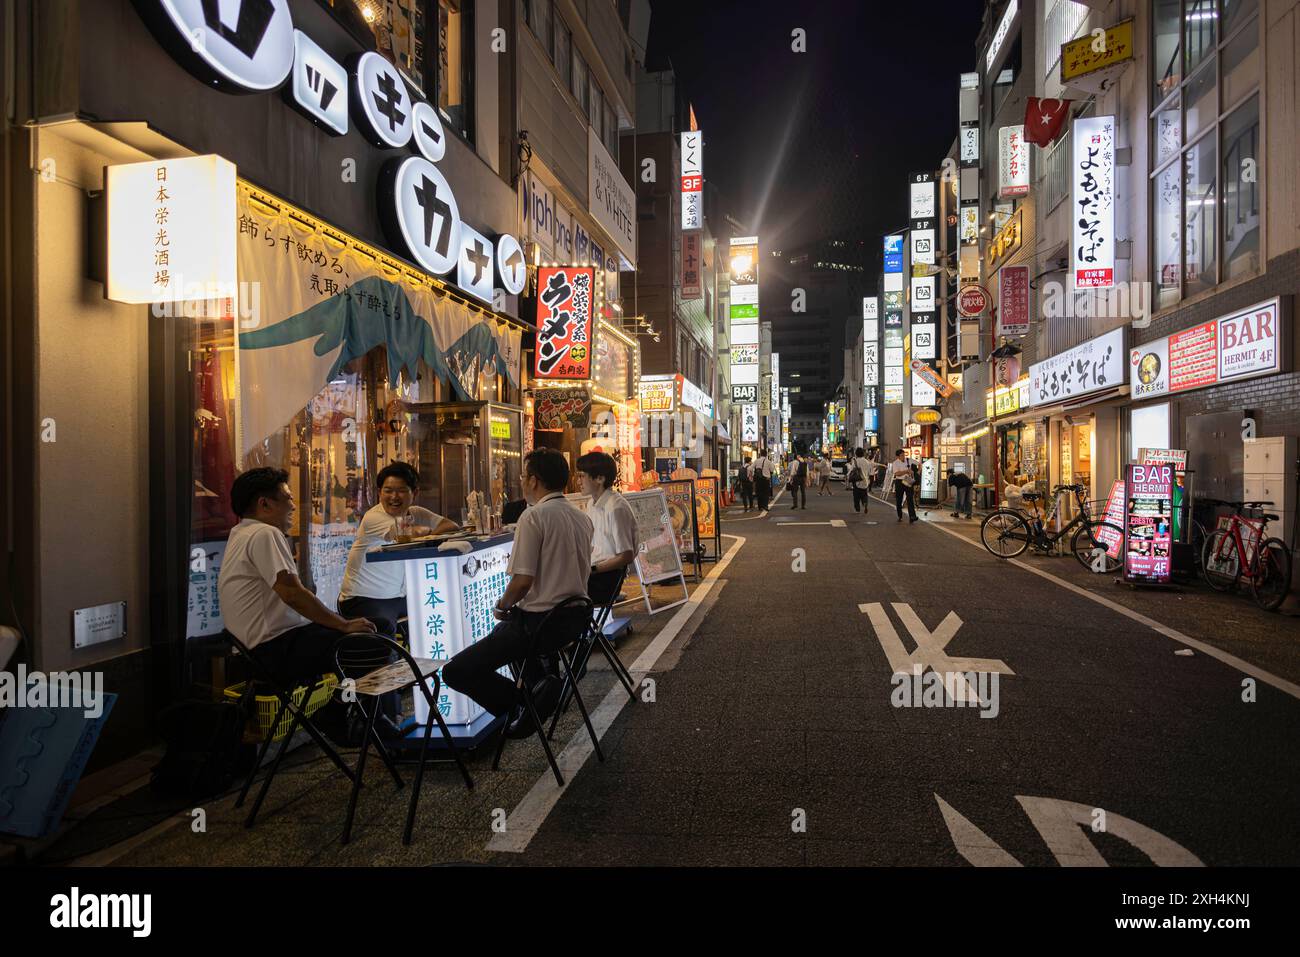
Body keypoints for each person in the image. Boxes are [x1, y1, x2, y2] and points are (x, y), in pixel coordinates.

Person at [217, 467, 403, 736]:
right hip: (276, 650)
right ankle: (340, 711)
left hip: (265, 649)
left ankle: (352, 711)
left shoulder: (242, 533)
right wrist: (342, 625)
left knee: (376, 630)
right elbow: (292, 593)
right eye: (287, 497)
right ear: (264, 503)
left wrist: (341, 625)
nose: (293, 504)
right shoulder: (263, 534)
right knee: (373, 637)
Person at [442, 449, 593, 739]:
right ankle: (539, 693)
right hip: (573, 621)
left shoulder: (533, 516)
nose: (522, 482)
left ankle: (527, 706)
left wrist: (502, 604)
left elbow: (523, 580)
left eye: (524, 477)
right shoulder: (581, 517)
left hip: (537, 626)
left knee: (456, 671)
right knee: (510, 643)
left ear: (534, 481)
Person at [338, 462, 458, 629]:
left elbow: (451, 526)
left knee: (440, 612)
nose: (394, 497)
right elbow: (403, 532)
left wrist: (428, 533)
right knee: (385, 631)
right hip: (363, 598)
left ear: (414, 492)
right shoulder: (373, 517)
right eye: (388, 491)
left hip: (399, 596)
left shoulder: (416, 512)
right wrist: (427, 532)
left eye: (401, 491)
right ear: (379, 492)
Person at [576, 451, 637, 605]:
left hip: (606, 579)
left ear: (600, 478)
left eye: (582, 476)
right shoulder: (592, 503)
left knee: (556, 594)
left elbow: (626, 556)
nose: (578, 481)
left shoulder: (616, 507)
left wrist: (593, 569)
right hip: (594, 574)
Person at [884, 450, 919, 523]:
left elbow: (919, 464)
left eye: (904, 455)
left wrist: (918, 472)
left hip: (908, 480)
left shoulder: (908, 460)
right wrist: (906, 471)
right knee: (899, 500)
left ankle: (912, 516)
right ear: (897, 457)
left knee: (910, 499)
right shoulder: (895, 463)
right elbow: (897, 474)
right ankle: (900, 515)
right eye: (902, 455)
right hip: (899, 482)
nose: (903, 457)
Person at [848, 447, 879, 514]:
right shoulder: (866, 461)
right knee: (864, 494)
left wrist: (848, 476)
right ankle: (865, 503)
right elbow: (869, 471)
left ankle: (857, 509)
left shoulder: (856, 461)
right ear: (863, 453)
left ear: (856, 454)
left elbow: (851, 470)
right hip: (865, 481)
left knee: (856, 496)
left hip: (857, 481)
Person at [753, 449, 772, 513]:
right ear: (766, 455)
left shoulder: (756, 461)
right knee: (766, 493)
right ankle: (765, 506)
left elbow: (750, 468)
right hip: (766, 480)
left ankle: (760, 507)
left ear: (760, 454)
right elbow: (772, 470)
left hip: (758, 479)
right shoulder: (768, 461)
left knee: (759, 493)